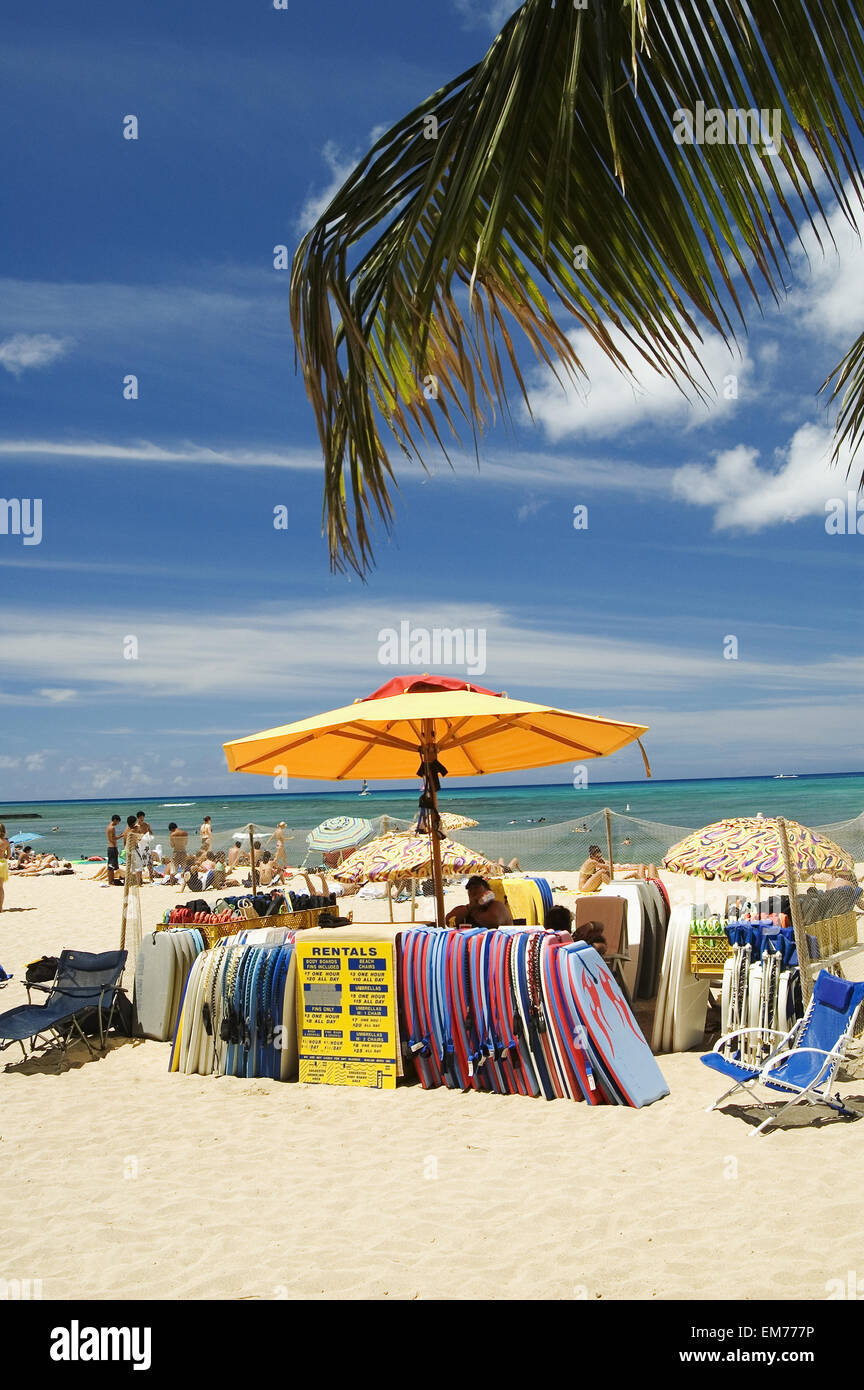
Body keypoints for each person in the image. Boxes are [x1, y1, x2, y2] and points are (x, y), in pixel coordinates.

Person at [446, 876, 513, 930]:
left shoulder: (497, 906)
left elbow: (493, 923)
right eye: (470, 889)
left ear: (487, 891)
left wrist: (476, 906)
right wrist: (470, 907)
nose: (473, 891)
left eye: (476, 888)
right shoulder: (465, 909)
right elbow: (449, 922)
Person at [106, 814, 122, 886]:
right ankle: (110, 881)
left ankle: (111, 880)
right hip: (112, 847)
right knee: (111, 866)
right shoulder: (112, 828)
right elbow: (113, 839)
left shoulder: (108, 827)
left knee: (111, 865)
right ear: (115, 820)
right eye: (118, 822)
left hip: (111, 847)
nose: (117, 823)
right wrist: (121, 836)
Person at [0, 824, 9, 912]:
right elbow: (9, 855)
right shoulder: (6, 842)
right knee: (1, 887)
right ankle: (0, 907)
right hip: (2, 863)